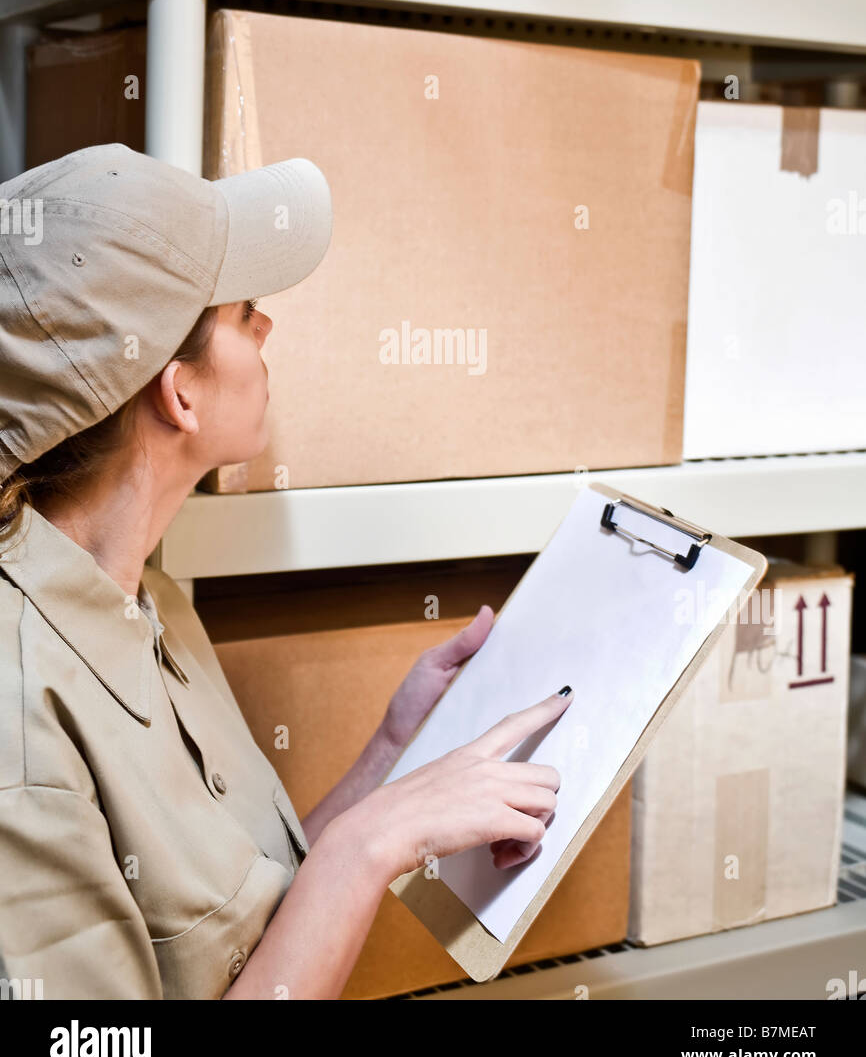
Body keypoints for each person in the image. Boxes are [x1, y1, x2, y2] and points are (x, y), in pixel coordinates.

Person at [0, 142, 571, 1000]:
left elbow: (246, 942)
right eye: (242, 312)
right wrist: (369, 845)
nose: (265, 328)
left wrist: (393, 749)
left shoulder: (149, 603)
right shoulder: (21, 722)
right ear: (179, 392)